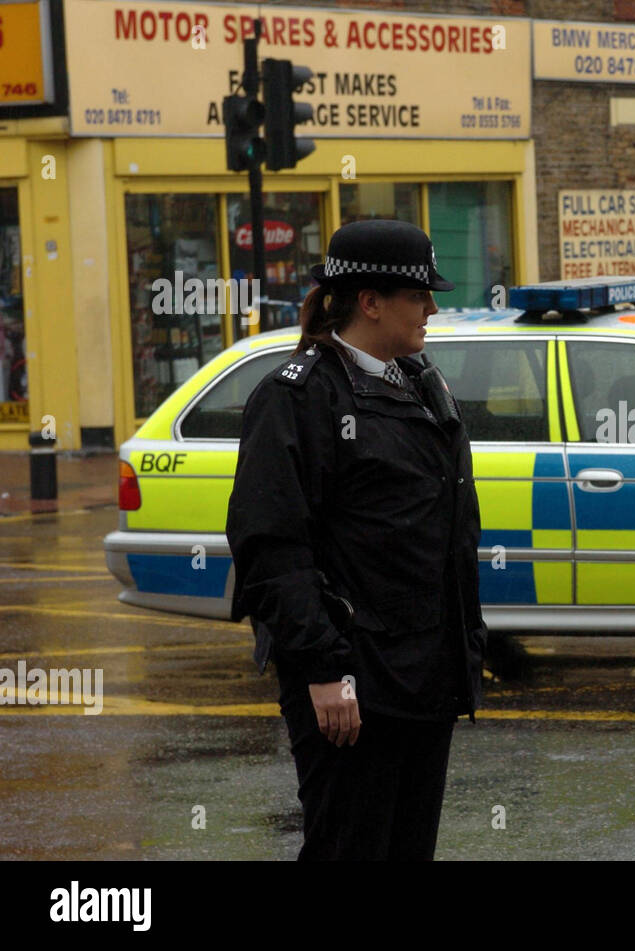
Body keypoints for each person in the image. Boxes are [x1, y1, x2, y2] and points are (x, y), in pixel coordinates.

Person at [226, 219, 487, 861]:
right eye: (418, 295)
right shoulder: (299, 397)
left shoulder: (422, 383)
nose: (431, 307)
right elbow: (272, 547)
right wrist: (323, 670)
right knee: (349, 848)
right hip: (354, 684)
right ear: (369, 302)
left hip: (423, 674)